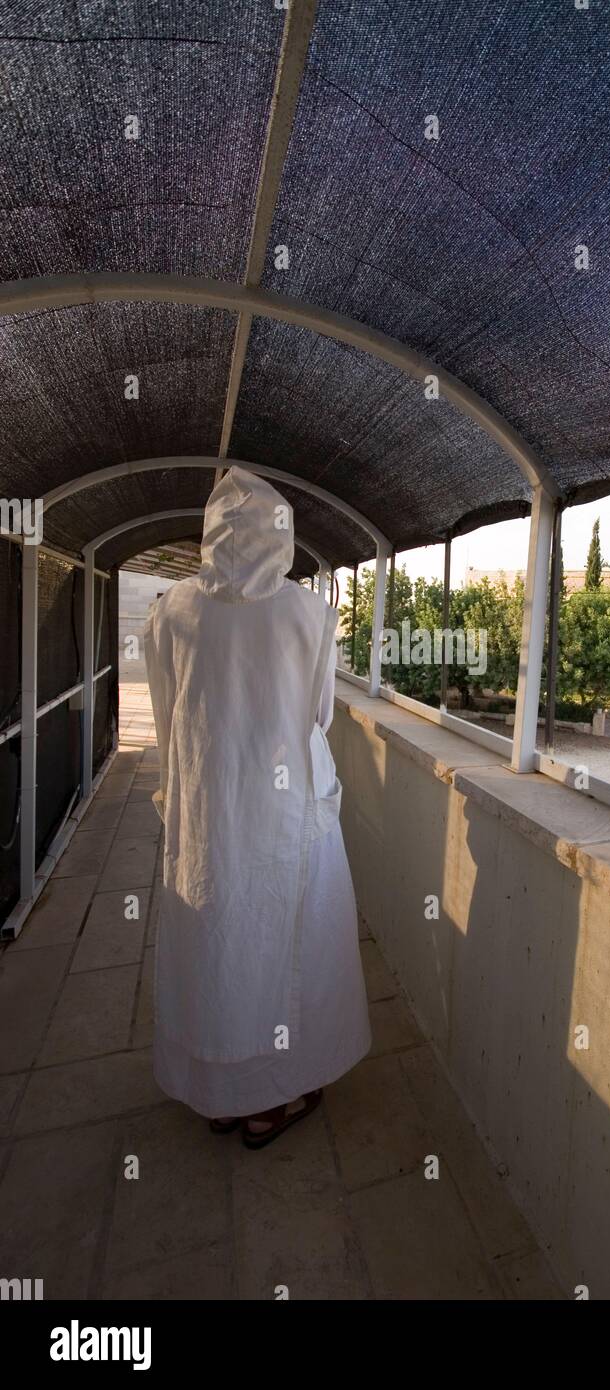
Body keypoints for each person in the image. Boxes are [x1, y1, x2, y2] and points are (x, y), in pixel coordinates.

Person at [144, 466, 371, 1149]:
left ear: (210, 534)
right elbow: (319, 716)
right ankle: (274, 1096)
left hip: (208, 809)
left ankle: (216, 1095)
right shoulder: (308, 614)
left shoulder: (170, 610)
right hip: (282, 813)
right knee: (284, 946)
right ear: (282, 534)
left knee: (216, 943)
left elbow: (165, 719)